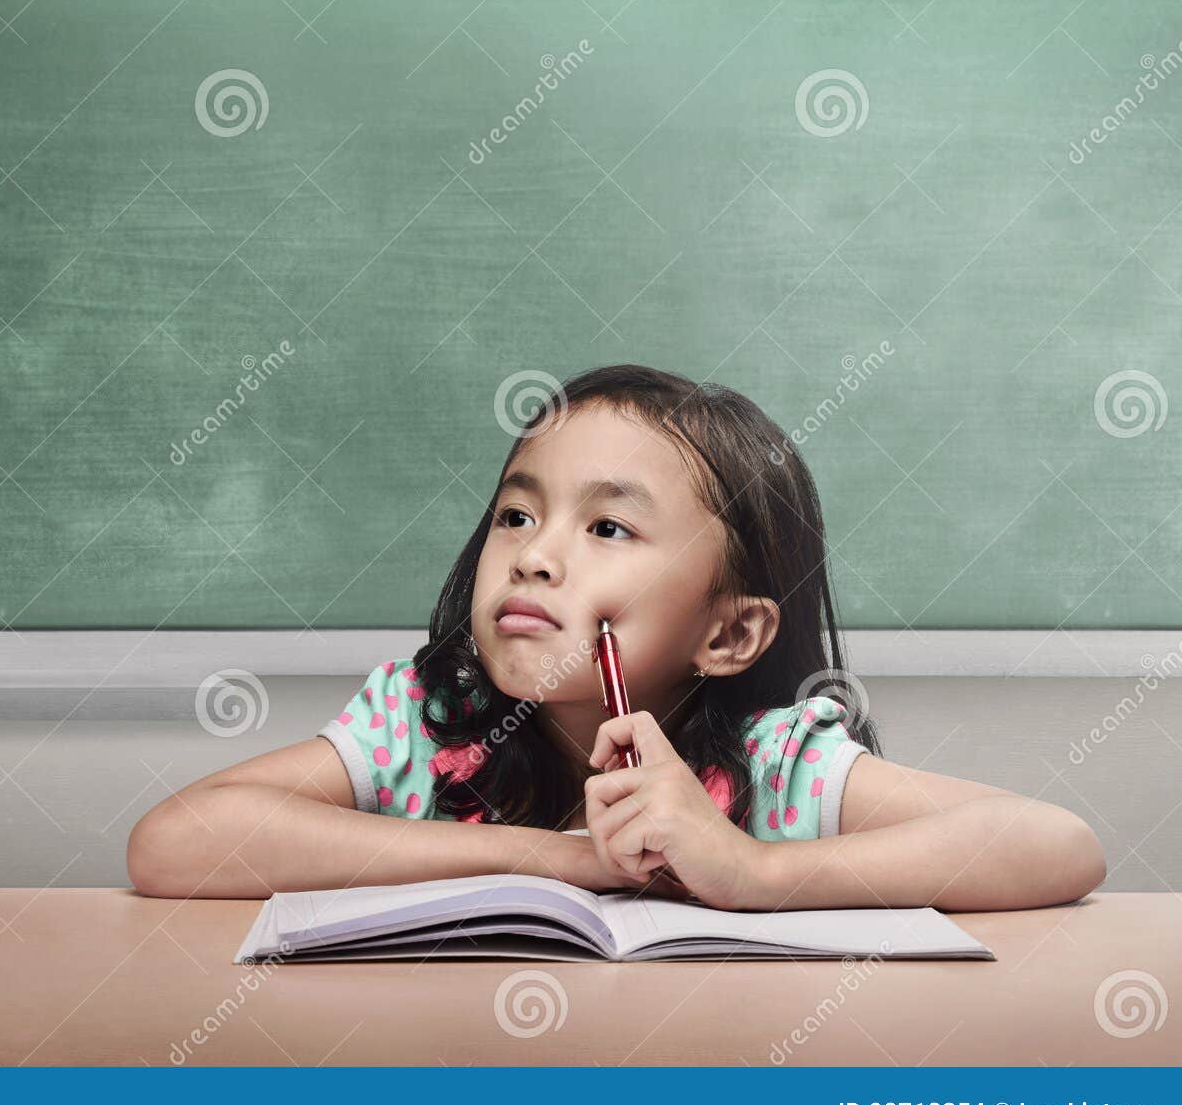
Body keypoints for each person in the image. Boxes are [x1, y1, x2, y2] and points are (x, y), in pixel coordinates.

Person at [128, 364, 1106, 911]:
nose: (534, 557)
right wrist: (548, 859)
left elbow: (1055, 847)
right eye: (517, 516)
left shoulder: (775, 764)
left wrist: (754, 870)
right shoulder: (421, 725)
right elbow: (173, 847)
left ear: (728, 633)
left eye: (606, 529)